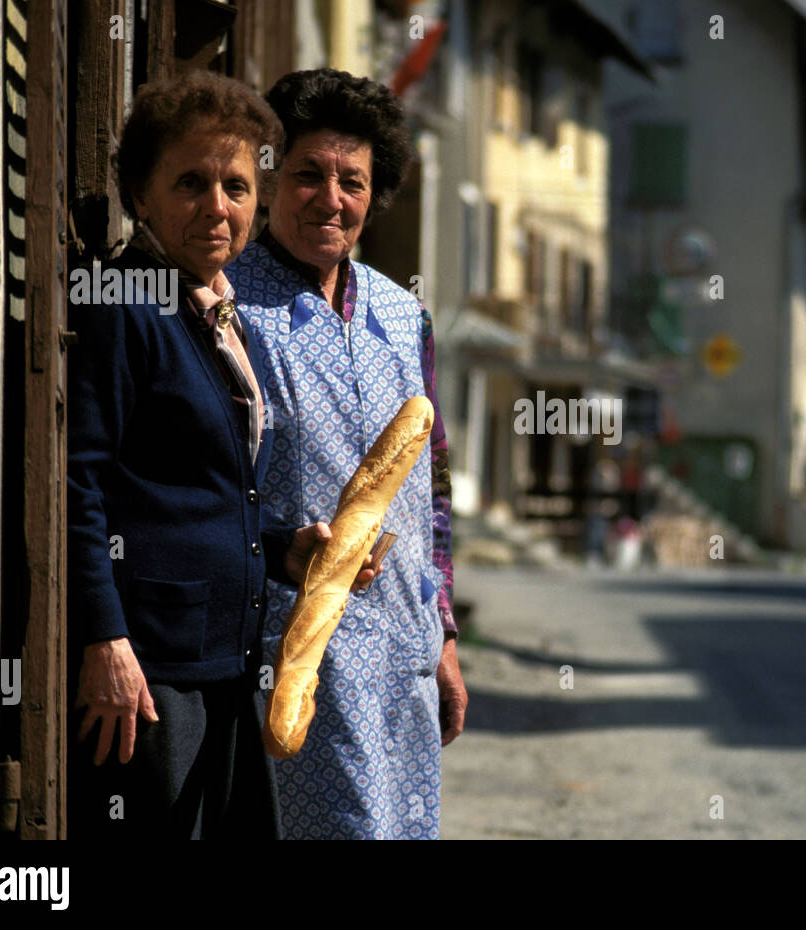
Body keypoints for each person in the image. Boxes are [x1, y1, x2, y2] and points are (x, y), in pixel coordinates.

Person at [66, 71, 328, 838]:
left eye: (237, 186)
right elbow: (82, 484)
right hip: (151, 674)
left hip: (225, 665)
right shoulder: (128, 306)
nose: (218, 207)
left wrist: (285, 554)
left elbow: (201, 491)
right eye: (191, 182)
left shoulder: (212, 309)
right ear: (140, 194)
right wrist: (105, 639)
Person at [229, 68, 466, 839]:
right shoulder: (230, 301)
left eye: (352, 181)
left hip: (405, 649)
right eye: (308, 175)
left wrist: (446, 634)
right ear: (270, 179)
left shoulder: (403, 316)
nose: (331, 199)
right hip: (299, 660)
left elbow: (431, 485)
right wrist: (275, 551)